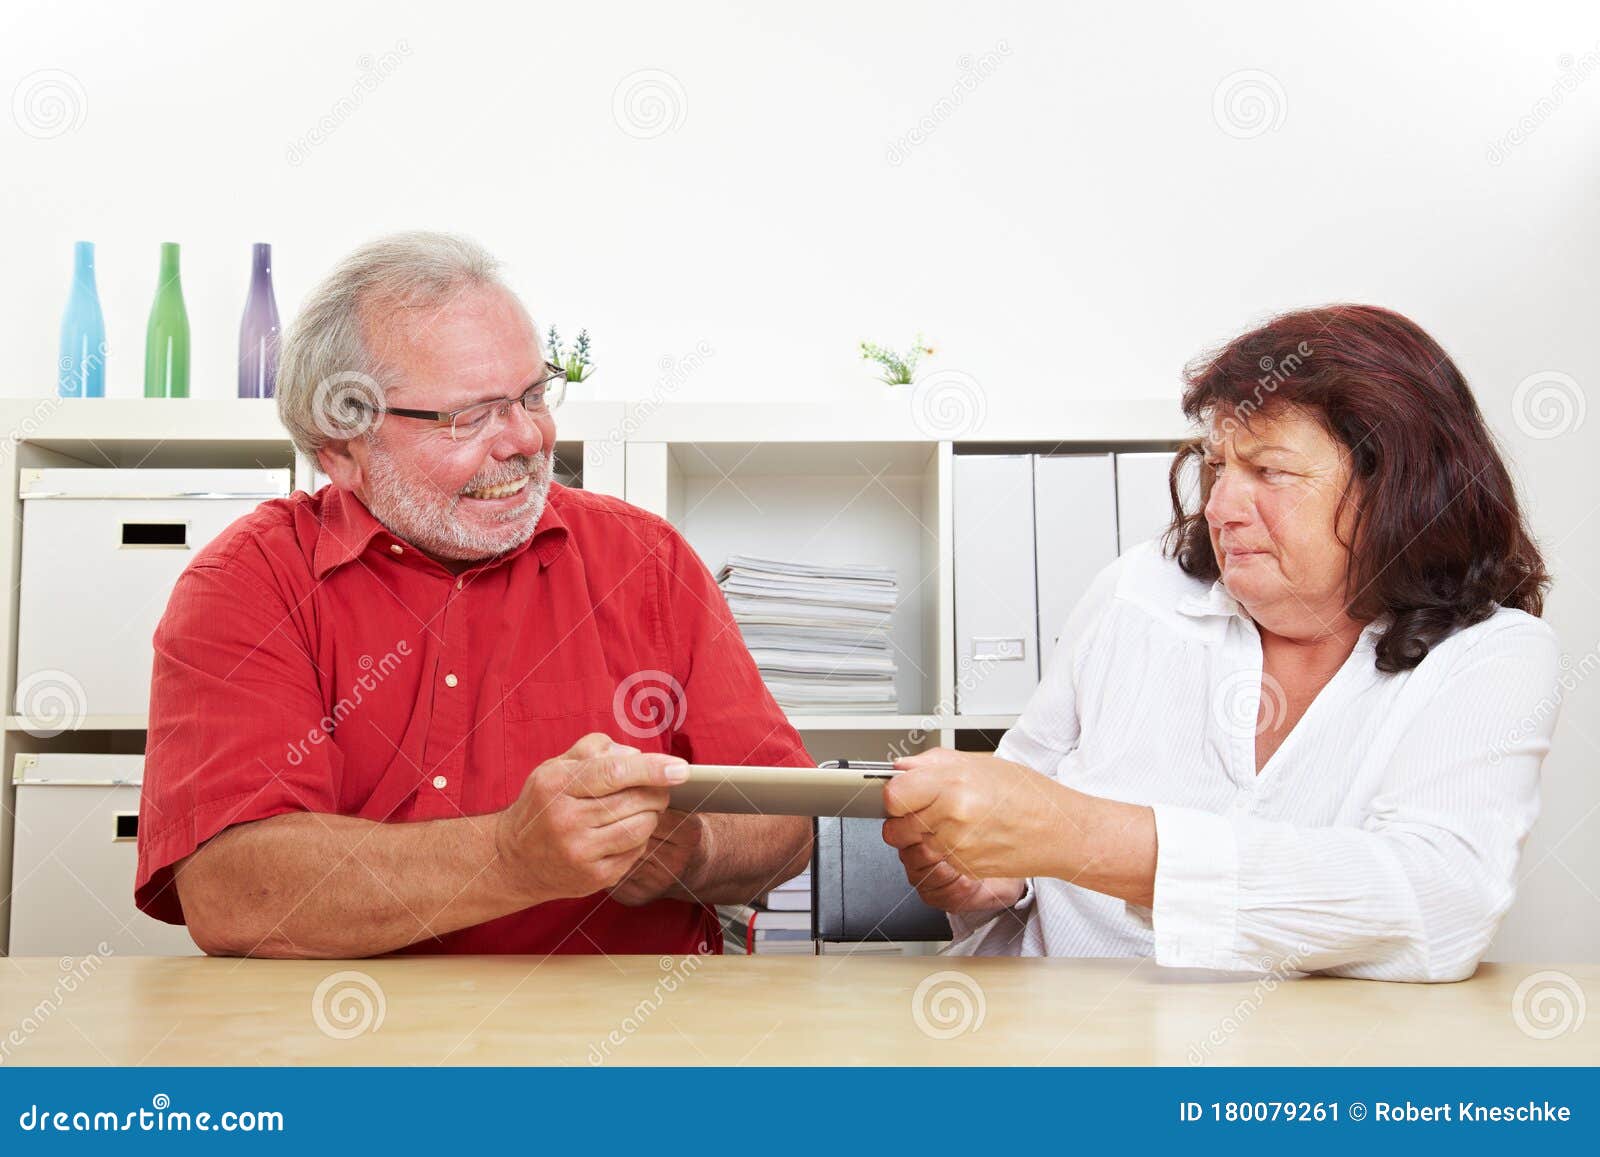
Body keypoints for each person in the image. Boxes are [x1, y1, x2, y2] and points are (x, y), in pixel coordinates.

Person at [134, 231, 811, 957]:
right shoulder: (246, 583)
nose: (526, 438)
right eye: (472, 415)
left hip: (630, 1049)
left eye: (531, 395)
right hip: (356, 1047)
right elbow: (231, 893)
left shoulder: (644, 559)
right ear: (342, 447)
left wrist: (697, 851)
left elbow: (785, 819)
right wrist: (511, 857)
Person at [885, 304, 1559, 981]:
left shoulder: (1493, 656)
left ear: (1397, 488)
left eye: (1270, 471)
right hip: (1051, 1037)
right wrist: (991, 878)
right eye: (1217, 465)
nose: (1220, 506)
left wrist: (1089, 838)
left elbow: (1440, 904)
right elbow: (1017, 811)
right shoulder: (1135, 591)